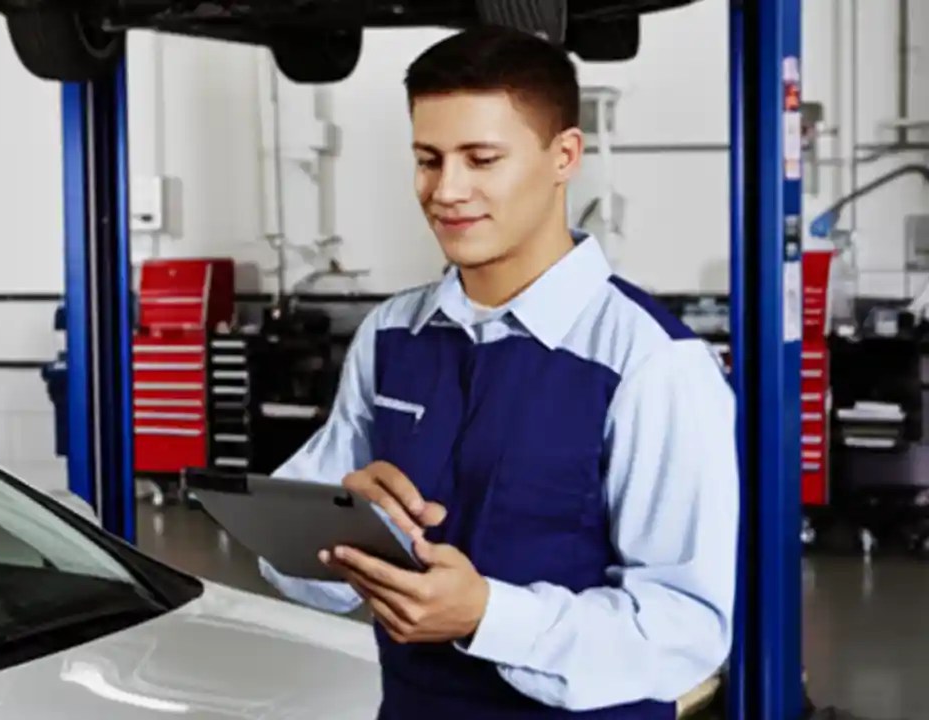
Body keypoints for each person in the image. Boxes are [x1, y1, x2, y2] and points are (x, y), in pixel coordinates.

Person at [257, 26, 739, 719]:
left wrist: (487, 615)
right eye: (428, 160)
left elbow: (685, 631)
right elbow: (285, 553)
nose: (447, 191)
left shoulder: (652, 364)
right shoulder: (392, 335)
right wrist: (344, 524)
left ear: (563, 156)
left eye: (482, 159)